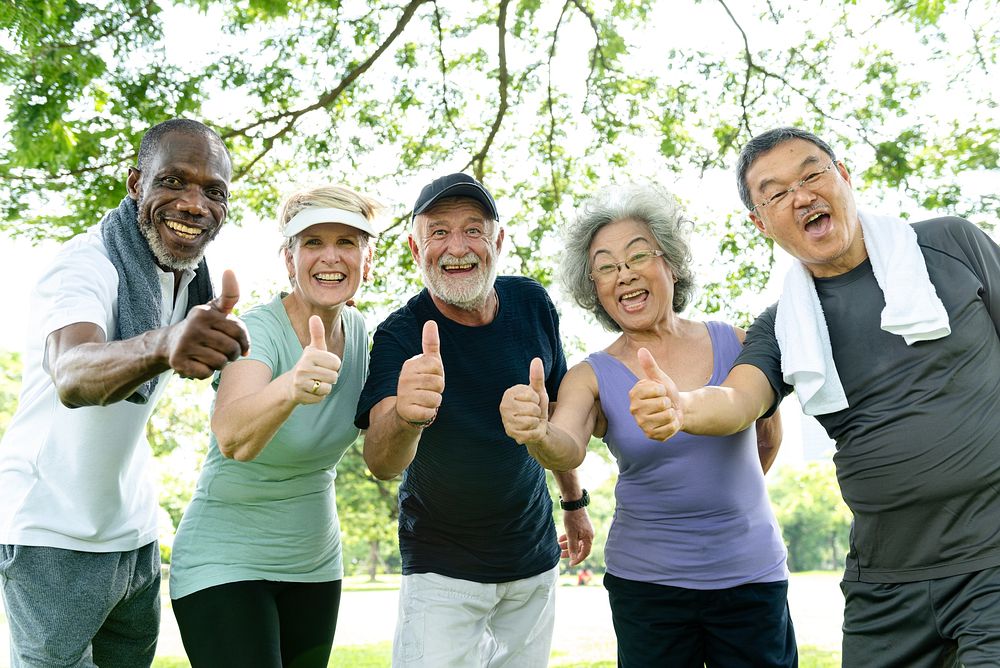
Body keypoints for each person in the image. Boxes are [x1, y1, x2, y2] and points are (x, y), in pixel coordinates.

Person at [631, 126, 1000, 667]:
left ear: (844, 177)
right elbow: (738, 401)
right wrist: (682, 406)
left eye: (812, 174)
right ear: (760, 223)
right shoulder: (783, 325)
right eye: (776, 193)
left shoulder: (951, 245)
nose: (800, 196)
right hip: (885, 584)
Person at [500, 183, 796, 667]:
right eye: (606, 267)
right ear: (594, 289)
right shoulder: (589, 375)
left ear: (671, 264)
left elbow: (767, 433)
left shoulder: (739, 343)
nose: (624, 274)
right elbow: (567, 446)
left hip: (752, 577)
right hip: (648, 587)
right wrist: (537, 432)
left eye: (638, 256)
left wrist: (723, 511)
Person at [0, 118, 246, 668]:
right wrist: (164, 344)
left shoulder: (190, 279)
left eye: (213, 191)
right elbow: (71, 371)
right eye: (173, 182)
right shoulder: (86, 263)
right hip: (51, 533)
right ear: (135, 183)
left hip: (133, 535)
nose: (193, 203)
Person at [355, 173, 594, 668]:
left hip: (533, 561)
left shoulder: (532, 304)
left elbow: (553, 413)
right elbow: (380, 460)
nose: (457, 246)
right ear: (414, 246)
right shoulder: (398, 335)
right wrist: (405, 414)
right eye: (438, 232)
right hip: (442, 572)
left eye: (473, 229)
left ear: (498, 241)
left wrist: (574, 502)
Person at [168, 185, 381, 667]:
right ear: (289, 260)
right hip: (224, 561)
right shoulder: (258, 329)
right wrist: (289, 387)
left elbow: (384, 452)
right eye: (313, 243)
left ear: (367, 260)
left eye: (347, 242)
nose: (331, 256)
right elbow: (232, 436)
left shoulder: (364, 333)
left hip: (315, 563)